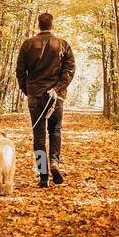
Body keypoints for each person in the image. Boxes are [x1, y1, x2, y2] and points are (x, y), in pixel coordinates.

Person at [16, 12, 76, 187]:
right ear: (52, 25)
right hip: (56, 97)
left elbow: (20, 72)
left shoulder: (27, 44)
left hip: (35, 95)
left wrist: (28, 91)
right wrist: (57, 89)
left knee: (39, 136)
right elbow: (69, 71)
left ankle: (43, 176)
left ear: (38, 25)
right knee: (55, 131)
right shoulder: (63, 44)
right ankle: (54, 163)